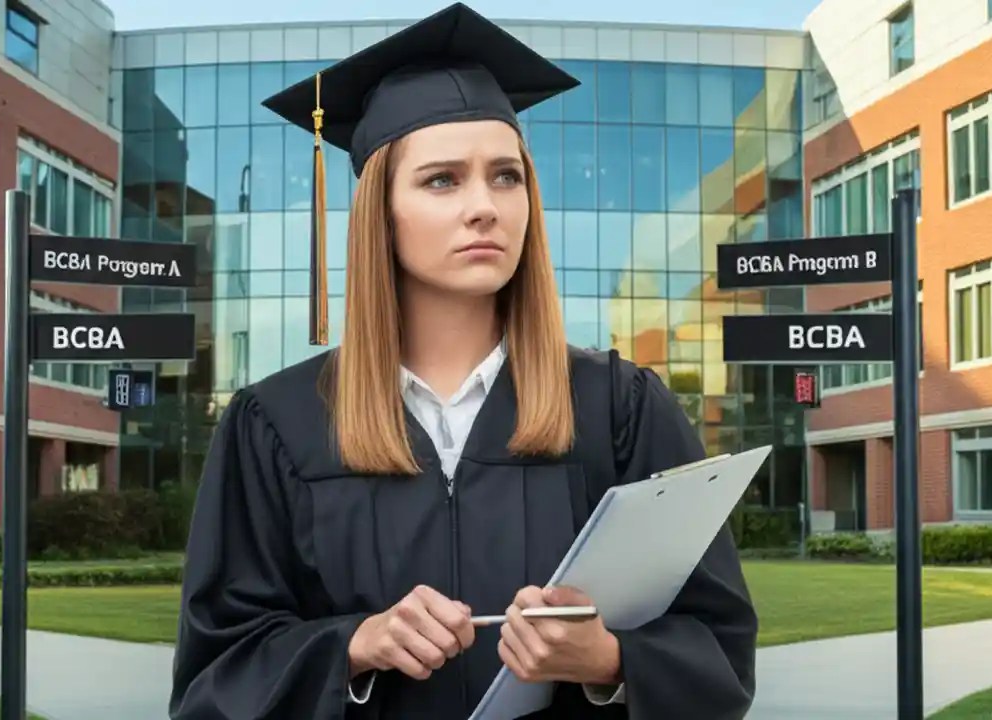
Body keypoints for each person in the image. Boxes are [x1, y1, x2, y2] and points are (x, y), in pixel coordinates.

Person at [168, 4, 758, 718]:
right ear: (380, 212)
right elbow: (215, 680)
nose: (485, 206)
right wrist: (355, 645)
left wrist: (608, 660)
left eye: (506, 176)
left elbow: (718, 653)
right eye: (442, 180)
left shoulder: (617, 407)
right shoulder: (278, 424)